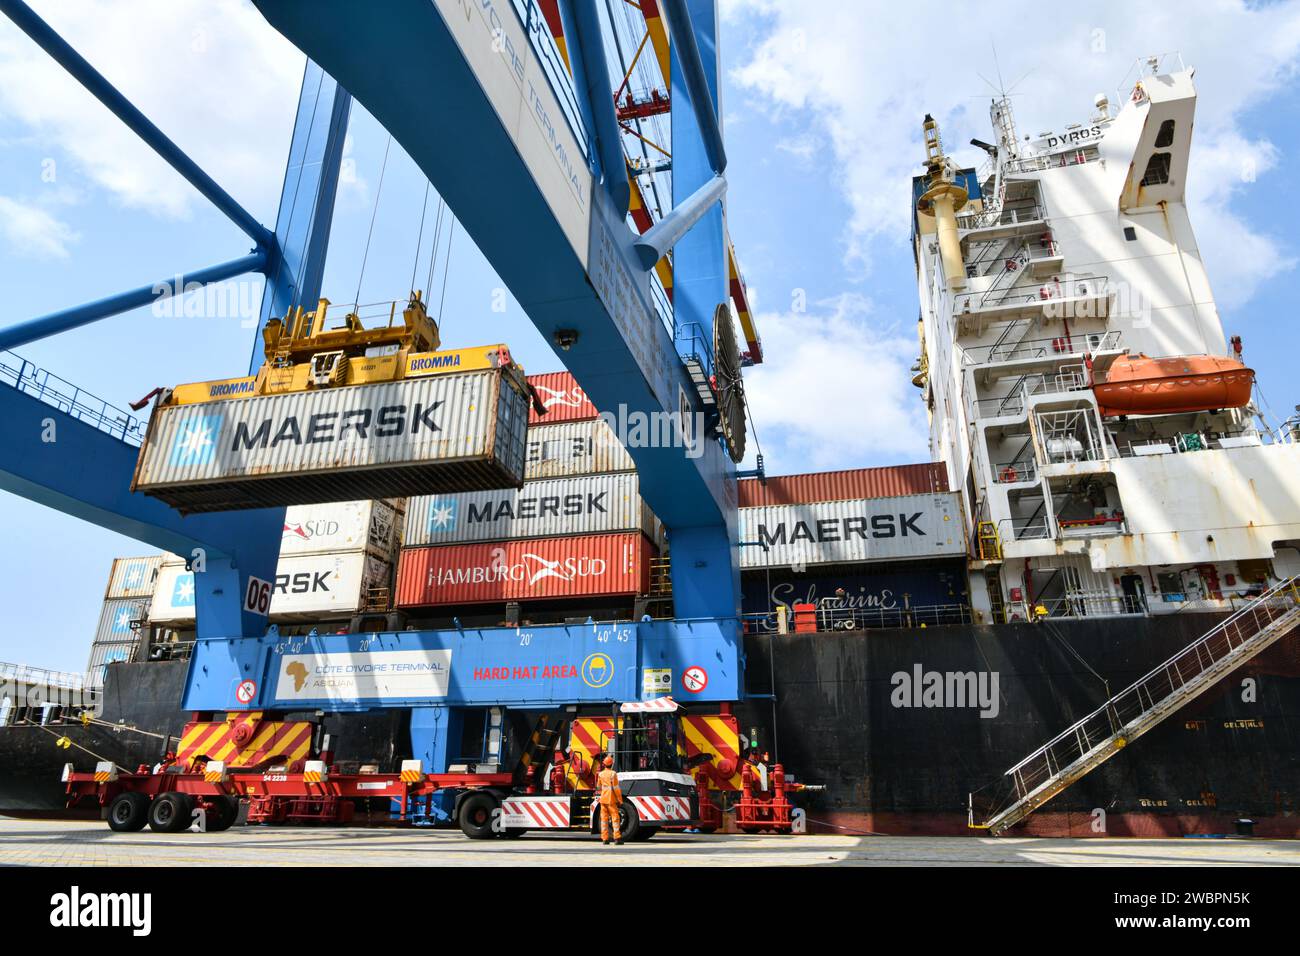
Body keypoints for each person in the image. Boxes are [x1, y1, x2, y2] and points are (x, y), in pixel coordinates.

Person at [596, 755, 624, 845]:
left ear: (604, 764)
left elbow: (598, 787)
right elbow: (616, 788)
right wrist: (620, 800)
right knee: (615, 818)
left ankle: (605, 839)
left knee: (604, 820)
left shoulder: (600, 774)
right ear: (611, 764)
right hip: (611, 799)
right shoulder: (613, 774)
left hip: (603, 799)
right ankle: (617, 838)